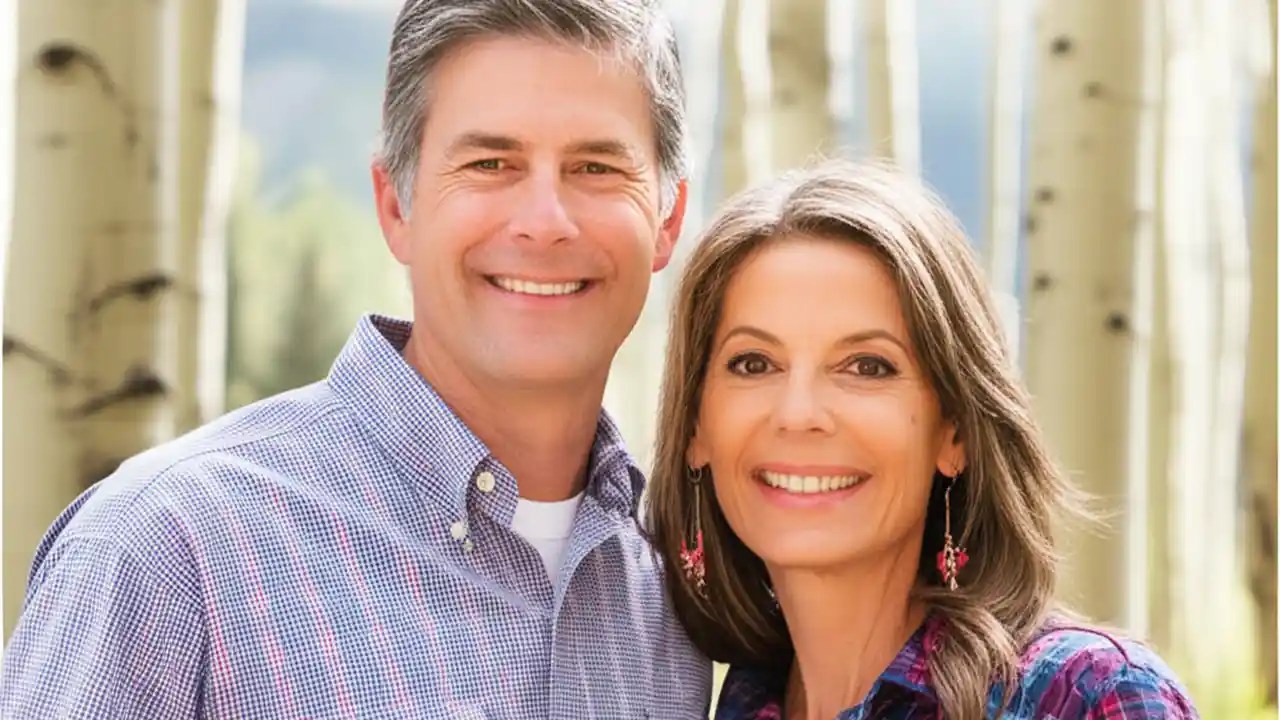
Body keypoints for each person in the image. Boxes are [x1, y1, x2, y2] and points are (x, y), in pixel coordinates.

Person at [0, 0, 712, 716]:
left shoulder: (675, 592)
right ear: (396, 206)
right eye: (491, 163)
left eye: (595, 167)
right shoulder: (166, 548)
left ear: (667, 220)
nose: (544, 222)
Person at [646, 159, 1198, 720]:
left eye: (866, 366)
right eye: (754, 362)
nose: (799, 413)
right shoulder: (725, 697)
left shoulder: (1090, 696)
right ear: (696, 428)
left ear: (954, 429)